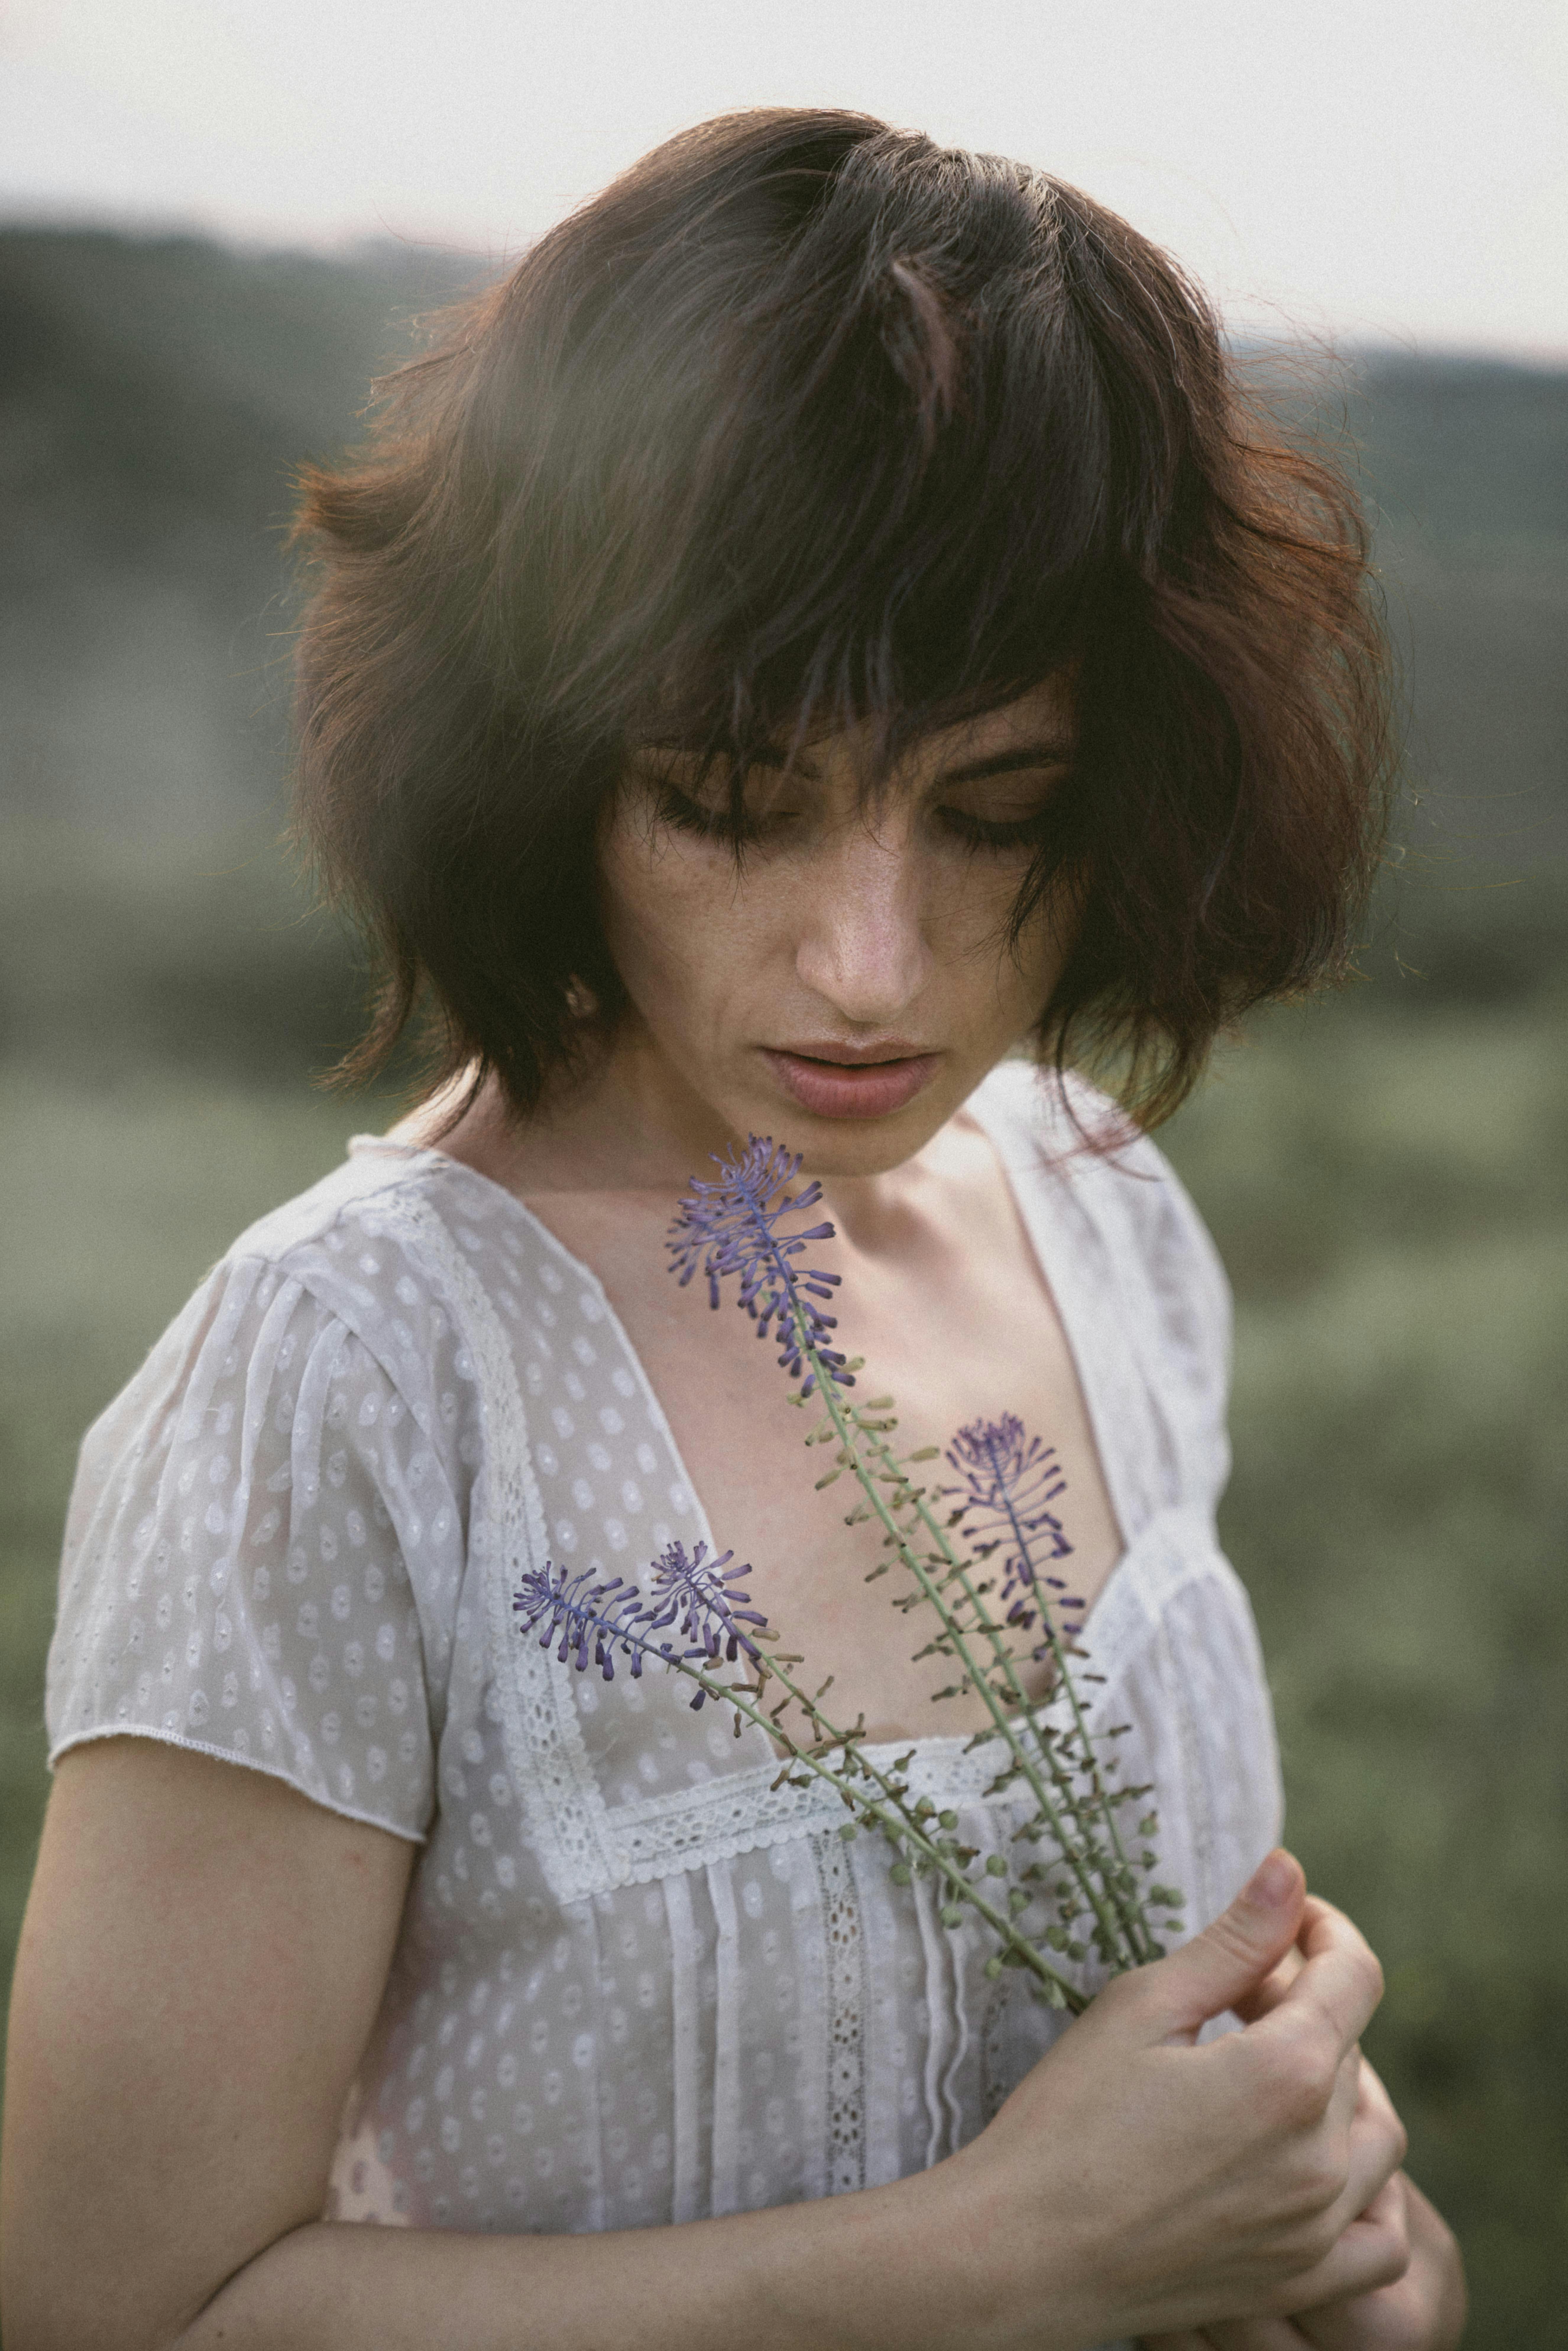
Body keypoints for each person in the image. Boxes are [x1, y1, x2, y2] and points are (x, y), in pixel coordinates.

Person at [0, 109, 1463, 2351]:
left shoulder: (1101, 1219)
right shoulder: (350, 1381)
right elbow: (116, 2312)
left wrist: (1346, 2236)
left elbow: (1211, 2089)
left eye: (999, 814)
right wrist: (1009, 2262)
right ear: (536, 764)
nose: (871, 963)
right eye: (728, 803)